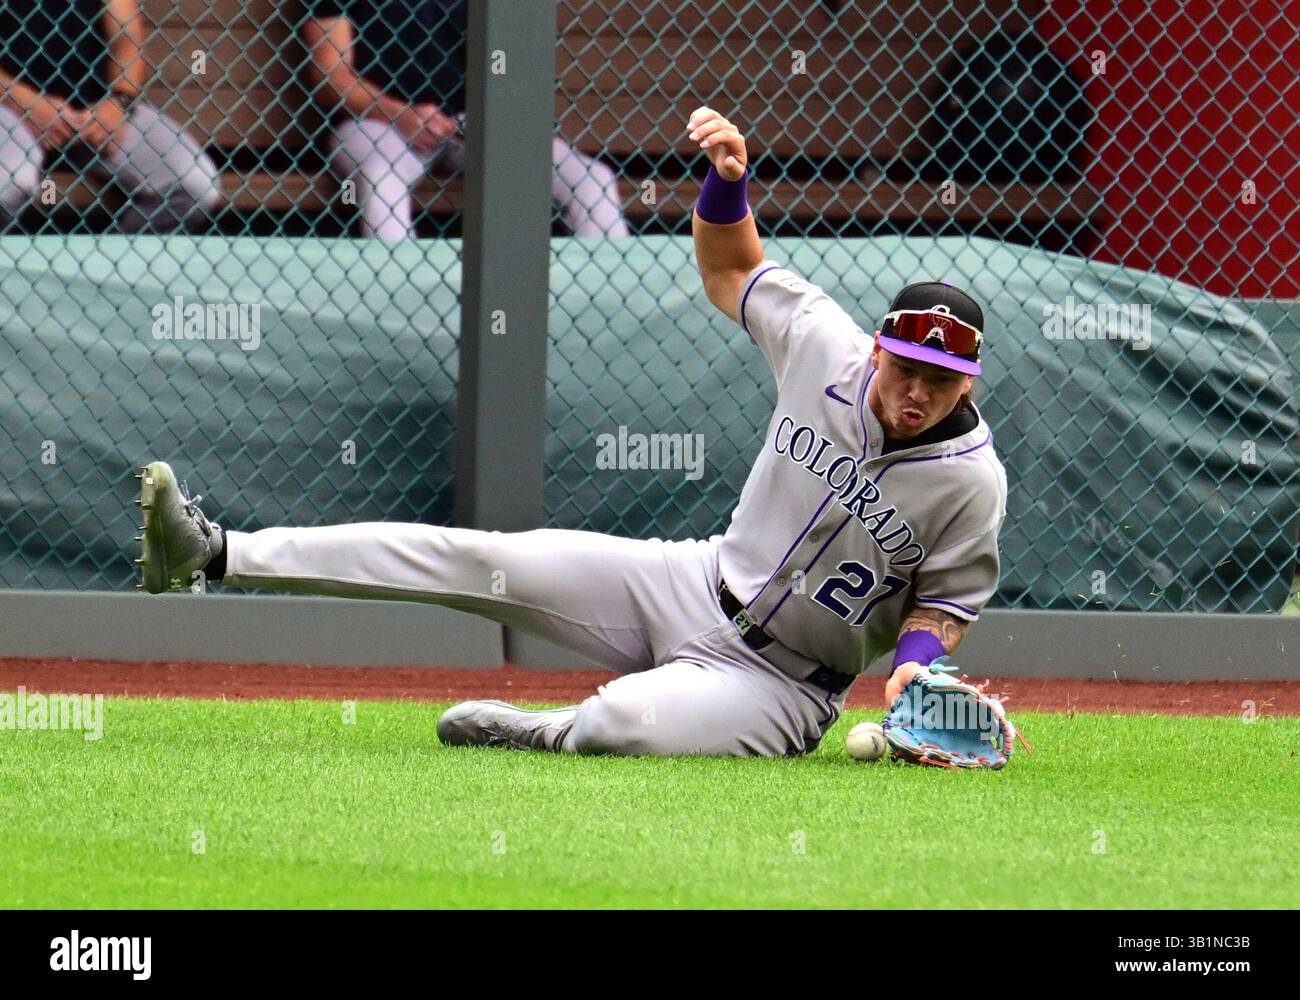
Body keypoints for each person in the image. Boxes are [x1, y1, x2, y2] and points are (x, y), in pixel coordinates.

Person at [131, 106, 1007, 759]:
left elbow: (945, 599)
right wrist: (728, 183)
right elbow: (730, 263)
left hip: (781, 685)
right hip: (691, 581)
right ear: (882, 348)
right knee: (470, 557)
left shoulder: (971, 481)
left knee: (627, 720)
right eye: (905, 368)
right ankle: (211, 553)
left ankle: (548, 731)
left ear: (969, 380)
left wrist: (916, 661)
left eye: (940, 379)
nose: (916, 392)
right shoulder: (825, 343)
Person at [302, 0, 629, 239]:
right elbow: (330, 75)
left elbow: (515, 66)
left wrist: (497, 116)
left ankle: (607, 317)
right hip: (377, 120)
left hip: (470, 120)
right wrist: (399, 114)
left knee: (593, 181)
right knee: (380, 177)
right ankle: (402, 308)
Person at [0, 0, 221, 232]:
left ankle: (114, 264)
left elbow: (128, 41)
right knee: (10, 183)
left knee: (196, 184)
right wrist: (20, 99)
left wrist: (118, 101)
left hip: (92, 114)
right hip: (10, 110)